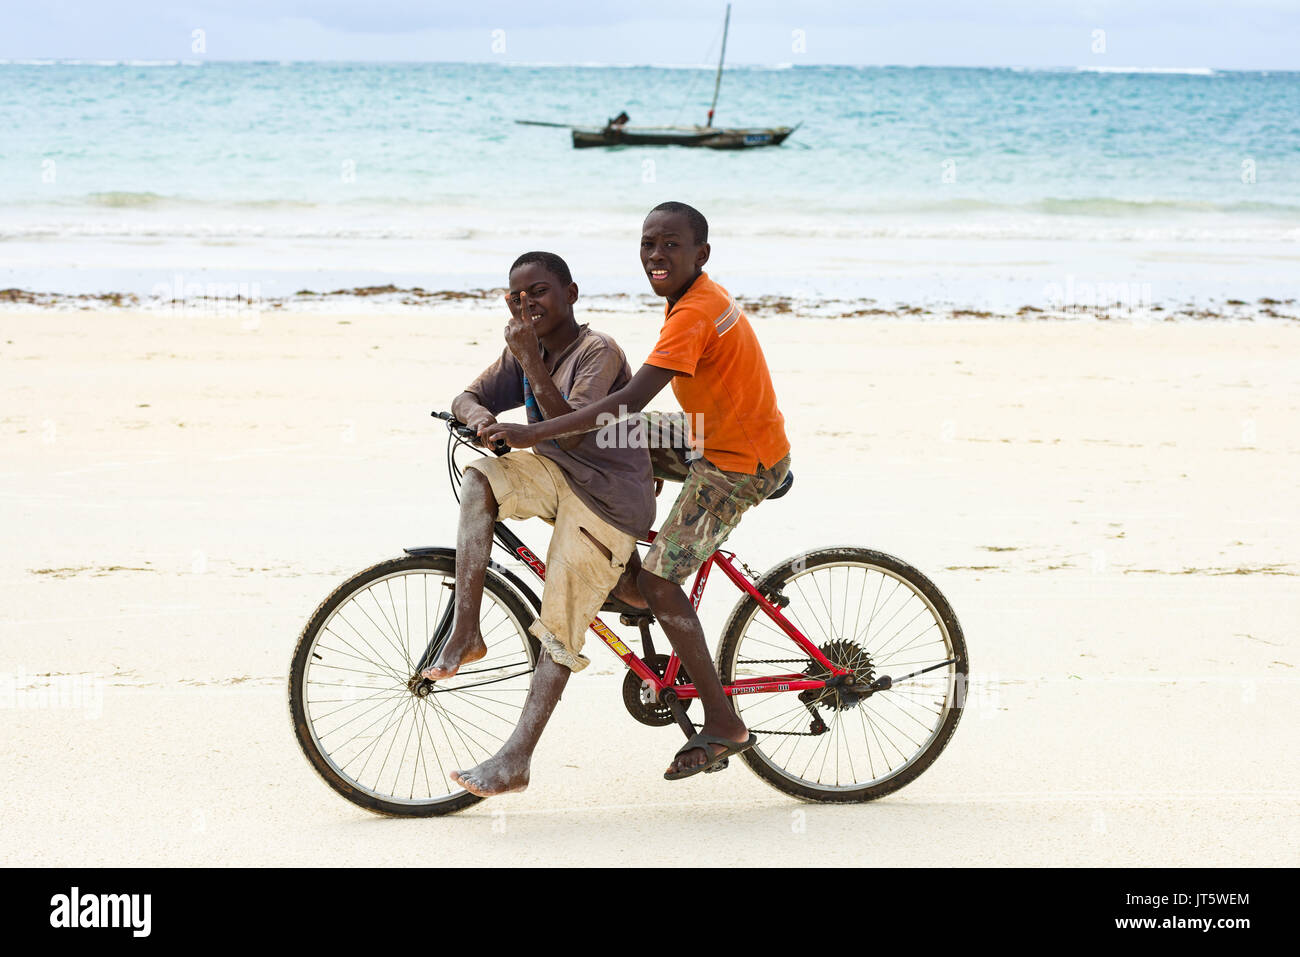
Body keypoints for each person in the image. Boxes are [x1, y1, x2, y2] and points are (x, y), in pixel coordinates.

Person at [484, 202, 792, 780]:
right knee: (611, 444)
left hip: (738, 461)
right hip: (703, 434)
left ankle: (724, 722)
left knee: (658, 580)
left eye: (671, 245)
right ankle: (617, 559)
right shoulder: (689, 301)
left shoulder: (693, 313)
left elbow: (626, 404)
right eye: (648, 244)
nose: (656, 255)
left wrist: (532, 432)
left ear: (701, 255)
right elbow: (619, 424)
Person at [422, 250, 655, 797]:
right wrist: (479, 417)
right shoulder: (527, 349)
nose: (528, 303)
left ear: (571, 294)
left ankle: (515, 761)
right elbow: (466, 395)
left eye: (540, 291)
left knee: (561, 611)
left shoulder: (597, 350)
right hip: (557, 475)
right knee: (480, 478)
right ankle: (467, 630)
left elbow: (568, 430)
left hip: (609, 498)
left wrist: (528, 360)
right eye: (517, 296)